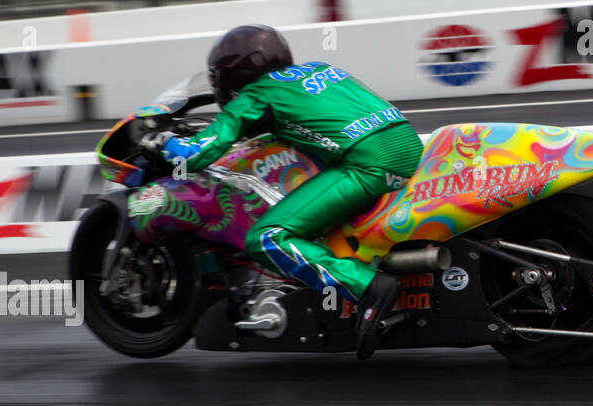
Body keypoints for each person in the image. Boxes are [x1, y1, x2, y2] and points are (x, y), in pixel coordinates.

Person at [143, 25, 422, 359]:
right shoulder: (319, 69)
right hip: (407, 144)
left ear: (233, 74)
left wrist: (164, 142)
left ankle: (370, 288)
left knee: (267, 237)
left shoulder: (256, 94)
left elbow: (200, 153)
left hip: (368, 162)